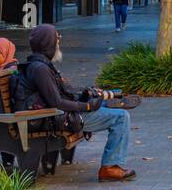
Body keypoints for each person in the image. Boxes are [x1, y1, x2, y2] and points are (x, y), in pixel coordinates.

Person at [23, 24, 136, 181]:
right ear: (47, 43)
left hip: (60, 115)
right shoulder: (40, 69)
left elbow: (60, 96)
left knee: (101, 104)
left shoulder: (39, 65)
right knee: (122, 117)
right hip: (59, 119)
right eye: (57, 38)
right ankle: (110, 167)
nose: (58, 42)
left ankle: (106, 102)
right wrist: (87, 106)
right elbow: (56, 102)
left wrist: (83, 97)